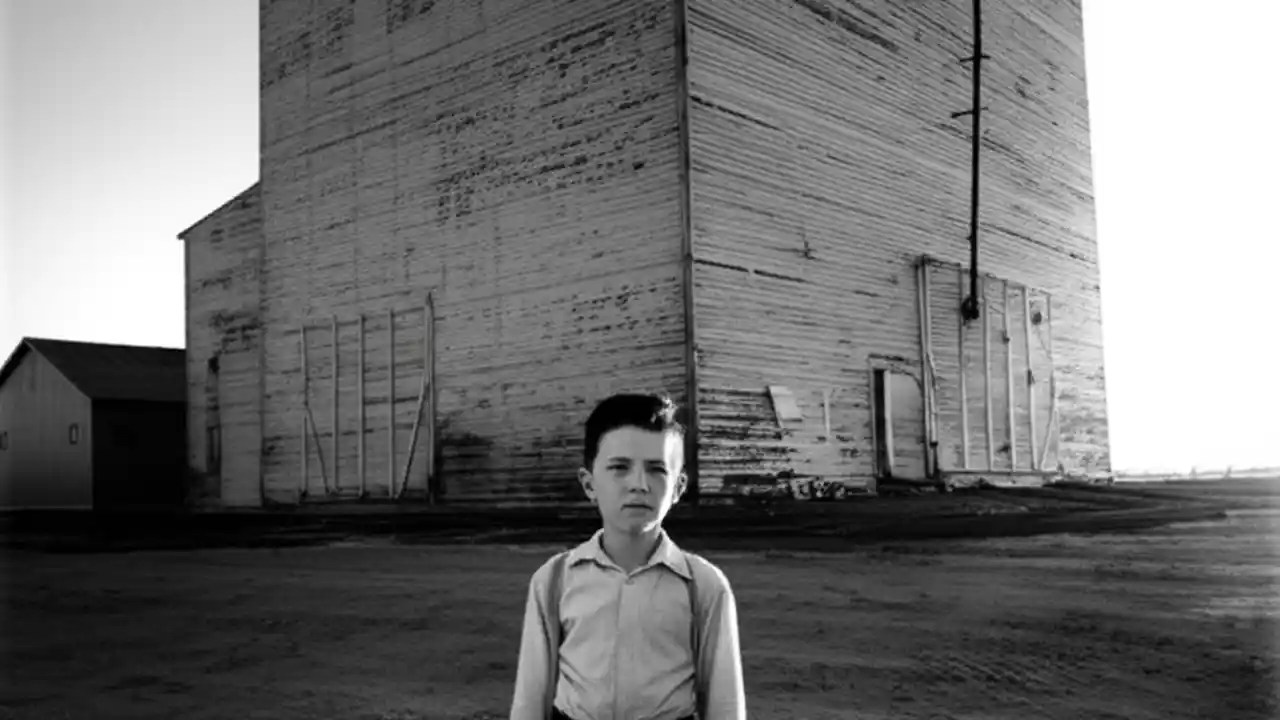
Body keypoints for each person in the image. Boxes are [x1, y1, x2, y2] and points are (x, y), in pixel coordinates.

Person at [509, 393, 746, 720]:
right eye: (620, 467)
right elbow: (531, 696)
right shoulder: (554, 580)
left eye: (657, 469)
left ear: (678, 488)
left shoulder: (703, 586)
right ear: (589, 484)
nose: (639, 484)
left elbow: (724, 703)